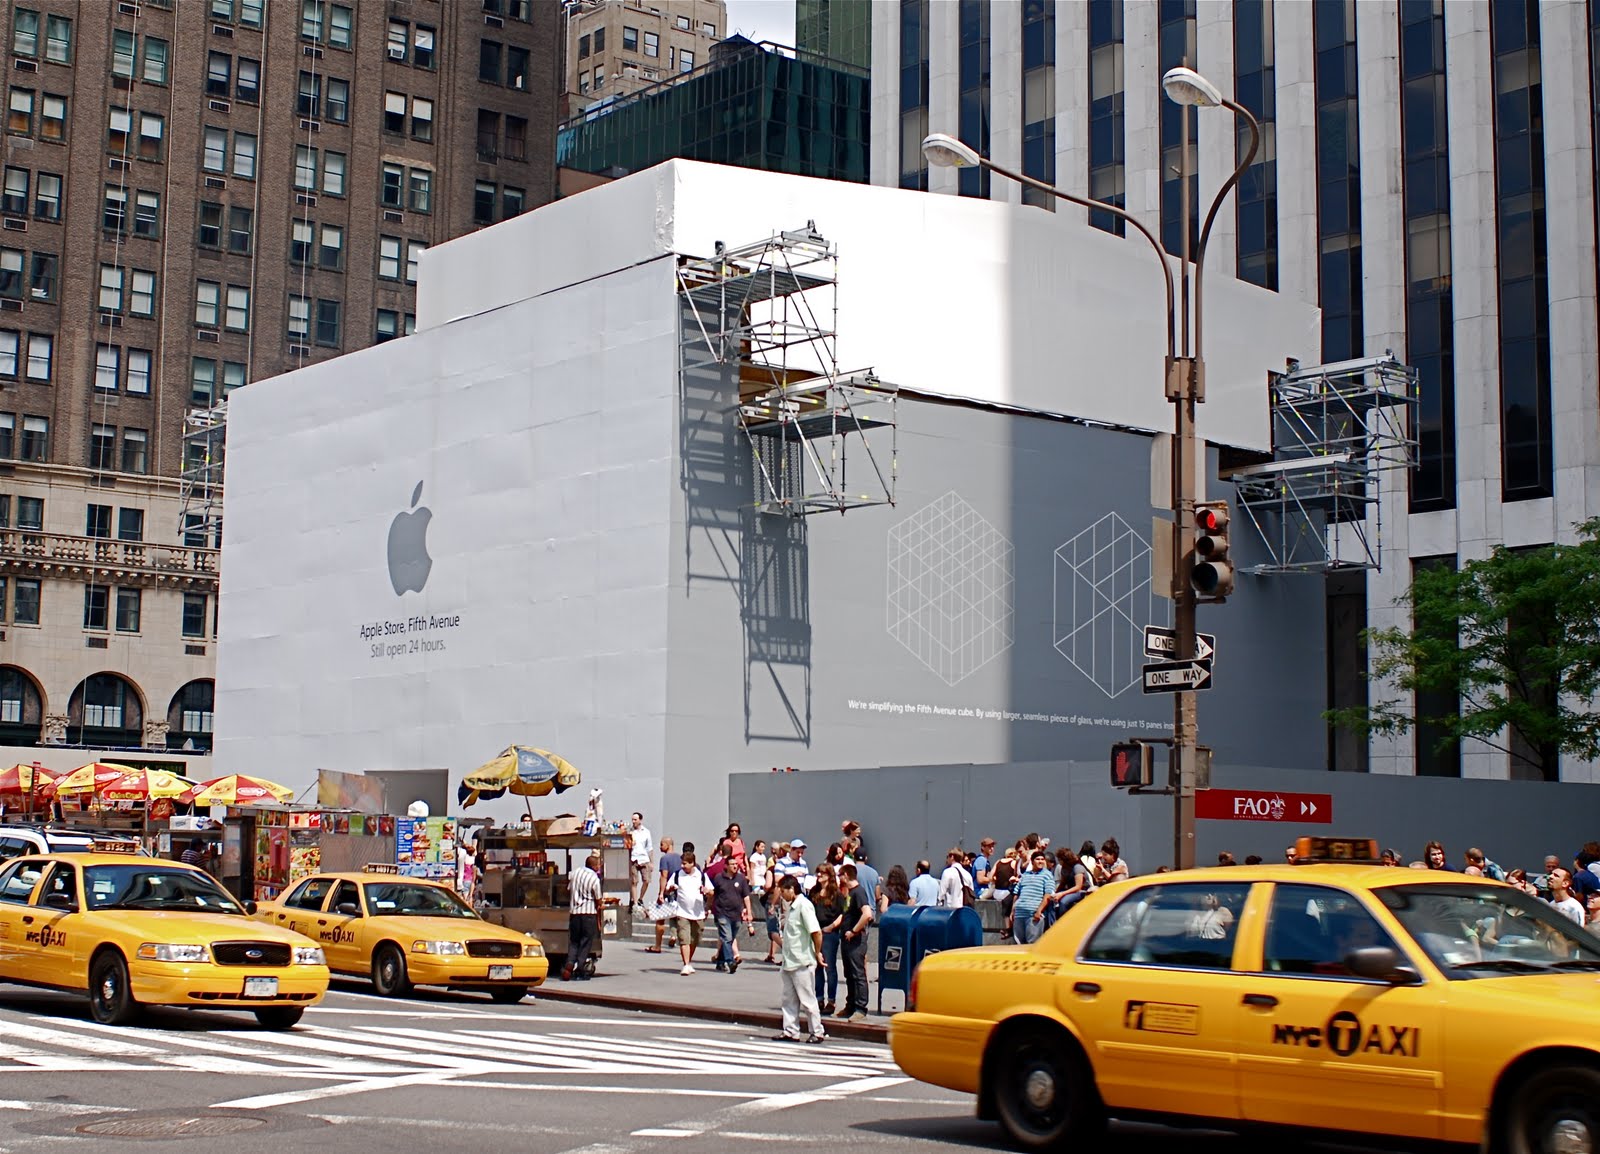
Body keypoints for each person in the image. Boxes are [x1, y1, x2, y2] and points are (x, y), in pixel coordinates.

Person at [773, 874, 825, 1044]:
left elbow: (816, 932)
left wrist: (817, 952)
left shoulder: (804, 905)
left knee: (807, 999)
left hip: (802, 960)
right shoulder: (792, 906)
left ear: (791, 889)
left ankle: (817, 1031)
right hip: (789, 960)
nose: (782, 895)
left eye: (783, 891)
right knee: (788, 999)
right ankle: (790, 1030)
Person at [665, 848, 712, 975]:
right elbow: (667, 890)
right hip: (682, 912)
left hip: (698, 913)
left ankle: (688, 962)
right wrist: (670, 889)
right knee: (684, 938)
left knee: (694, 939)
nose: (682, 866)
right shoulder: (677, 875)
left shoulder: (701, 875)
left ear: (692, 863)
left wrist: (707, 891)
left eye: (685, 863)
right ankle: (686, 964)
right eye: (682, 863)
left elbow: (712, 891)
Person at [836, 863, 873, 1020]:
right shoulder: (849, 893)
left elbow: (867, 914)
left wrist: (854, 930)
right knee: (849, 973)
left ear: (846, 875)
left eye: (840, 875)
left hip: (856, 940)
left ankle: (860, 1008)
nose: (839, 879)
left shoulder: (859, 893)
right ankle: (850, 1005)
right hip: (847, 939)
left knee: (858, 974)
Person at [810, 864, 845, 1014]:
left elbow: (842, 914)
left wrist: (831, 926)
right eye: (818, 873)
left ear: (829, 875)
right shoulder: (814, 892)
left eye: (822, 873)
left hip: (830, 933)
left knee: (829, 967)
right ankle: (819, 999)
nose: (819, 875)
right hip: (815, 932)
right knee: (817, 966)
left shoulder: (836, 894)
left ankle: (831, 1000)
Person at [710, 854, 753, 973]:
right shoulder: (719, 878)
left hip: (736, 914)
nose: (735, 866)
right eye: (732, 864)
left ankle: (720, 961)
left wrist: (749, 912)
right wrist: (708, 908)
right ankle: (730, 961)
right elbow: (713, 895)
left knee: (729, 939)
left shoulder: (741, 879)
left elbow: (746, 897)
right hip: (722, 913)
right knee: (727, 937)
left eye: (736, 864)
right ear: (726, 866)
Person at [564, 852, 603, 981]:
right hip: (588, 913)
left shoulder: (575, 873)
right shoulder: (594, 878)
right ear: (593, 866)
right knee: (585, 941)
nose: (599, 867)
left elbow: (568, 889)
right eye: (598, 865)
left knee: (574, 941)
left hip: (574, 913)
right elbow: (598, 898)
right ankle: (580, 969)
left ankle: (569, 964)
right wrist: (600, 904)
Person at [1010, 850, 1054, 944]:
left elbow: (1048, 894)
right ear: (1032, 861)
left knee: (1032, 944)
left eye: (1042, 859)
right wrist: (1013, 910)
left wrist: (1039, 911)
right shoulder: (1025, 875)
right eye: (1038, 859)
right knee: (1018, 943)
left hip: (1034, 915)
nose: (1040, 861)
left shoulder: (1047, 875)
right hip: (1019, 914)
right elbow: (1017, 893)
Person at [648, 836, 681, 954]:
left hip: (668, 891)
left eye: (662, 844)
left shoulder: (664, 859)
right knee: (678, 917)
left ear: (668, 845)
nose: (660, 847)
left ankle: (658, 945)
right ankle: (677, 938)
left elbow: (664, 876)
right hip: (679, 892)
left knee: (660, 919)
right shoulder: (679, 858)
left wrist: (661, 893)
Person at [627, 812, 654, 910]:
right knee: (634, 881)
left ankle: (640, 898)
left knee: (646, 880)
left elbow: (649, 848)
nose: (633, 822)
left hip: (644, 858)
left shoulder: (646, 832)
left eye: (635, 819)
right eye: (632, 819)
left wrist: (651, 862)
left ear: (640, 820)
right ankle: (634, 903)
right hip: (633, 858)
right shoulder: (630, 832)